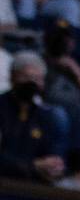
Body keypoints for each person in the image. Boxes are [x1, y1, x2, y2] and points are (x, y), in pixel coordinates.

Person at [0, 50, 66, 182]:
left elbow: (53, 155)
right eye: (25, 77)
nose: (31, 83)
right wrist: (34, 165)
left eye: (37, 79)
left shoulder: (48, 117)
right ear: (12, 77)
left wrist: (54, 167)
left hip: (33, 188)